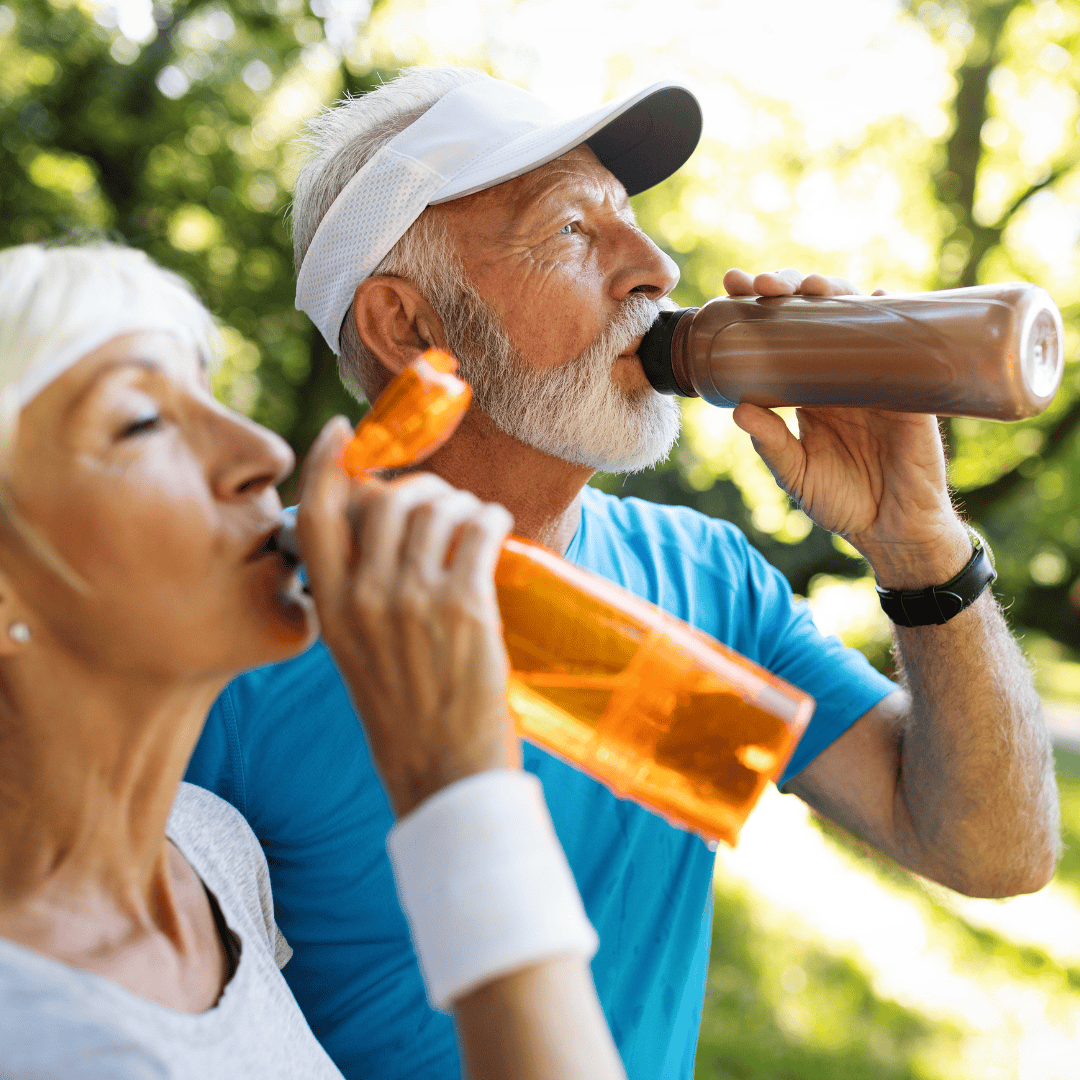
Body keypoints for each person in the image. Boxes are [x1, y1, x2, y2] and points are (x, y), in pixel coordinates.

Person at [187, 67, 1061, 1080]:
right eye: (569, 231)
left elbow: (987, 851)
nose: (656, 265)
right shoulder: (234, 623)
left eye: (634, 222)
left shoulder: (700, 583)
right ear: (408, 327)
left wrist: (920, 549)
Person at [0, 242, 626, 1080]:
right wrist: (458, 786)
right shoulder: (39, 1032)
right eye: (142, 421)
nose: (264, 452)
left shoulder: (212, 852)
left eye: (209, 397)